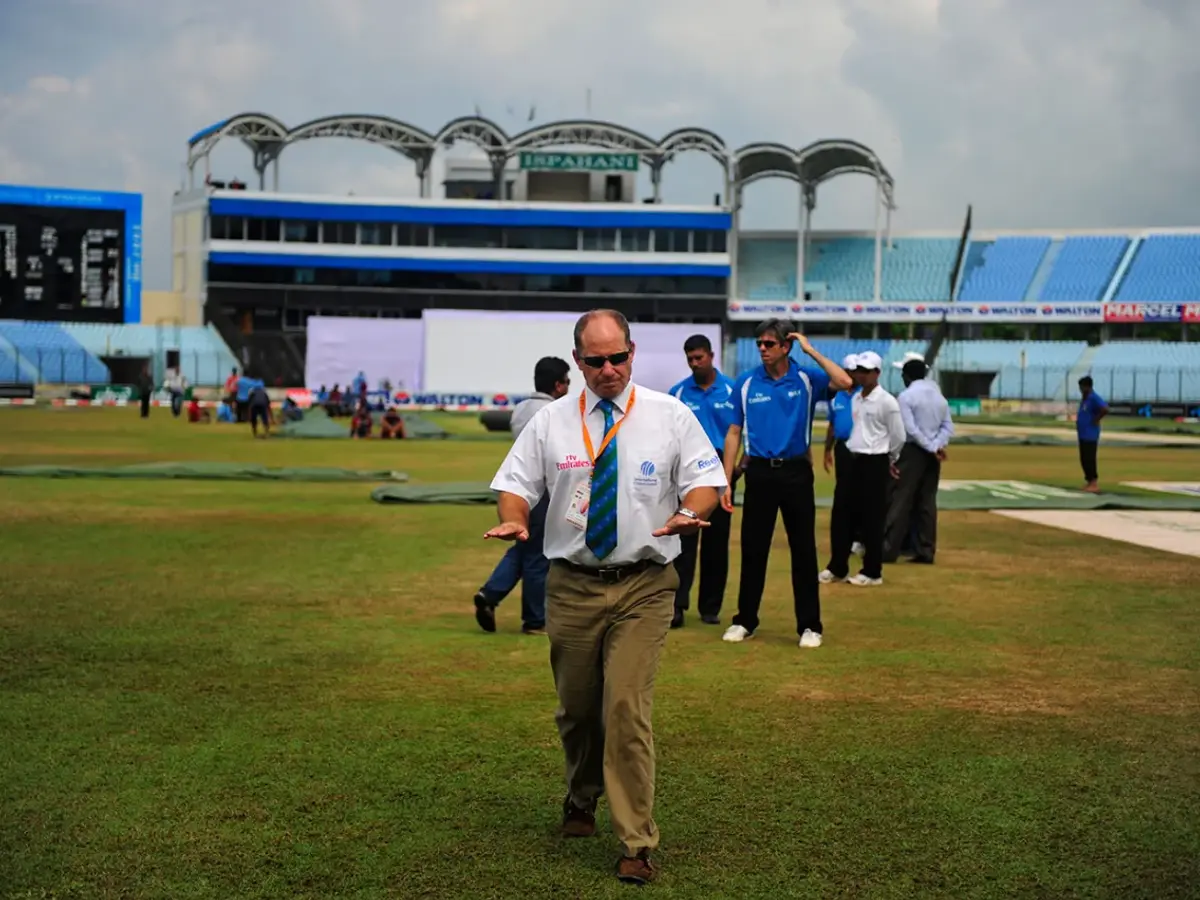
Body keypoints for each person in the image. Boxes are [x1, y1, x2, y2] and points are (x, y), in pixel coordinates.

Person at [486, 309, 726, 885]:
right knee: (576, 710)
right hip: (570, 585)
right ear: (578, 361)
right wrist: (516, 521)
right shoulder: (551, 422)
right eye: (596, 361)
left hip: (644, 586)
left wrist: (692, 510)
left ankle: (637, 841)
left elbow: (705, 479)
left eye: (618, 357)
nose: (609, 369)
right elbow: (514, 487)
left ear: (633, 352)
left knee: (625, 708)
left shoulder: (669, 415)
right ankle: (580, 795)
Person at [720, 319, 852, 647]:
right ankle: (745, 620)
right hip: (760, 473)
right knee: (753, 550)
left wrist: (810, 350)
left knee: (803, 551)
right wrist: (725, 480)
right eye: (759, 344)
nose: (762, 349)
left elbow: (845, 380)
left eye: (769, 344)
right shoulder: (747, 382)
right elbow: (734, 432)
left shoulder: (807, 378)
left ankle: (810, 626)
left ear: (786, 346)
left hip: (795, 473)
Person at [473, 356, 571, 636]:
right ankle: (534, 619)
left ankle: (490, 594)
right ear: (558, 385)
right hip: (542, 490)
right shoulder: (554, 412)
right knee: (538, 555)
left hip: (518, 489)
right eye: (566, 381)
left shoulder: (520, 409)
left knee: (524, 548)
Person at [667, 334, 738, 628]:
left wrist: (732, 474)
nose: (695, 364)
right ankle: (677, 606)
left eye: (700, 358)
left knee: (716, 544)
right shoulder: (679, 393)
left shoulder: (732, 390)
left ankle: (710, 606)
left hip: (722, 472)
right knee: (684, 542)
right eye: (690, 359)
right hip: (689, 474)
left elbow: (740, 432)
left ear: (711, 356)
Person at [821, 352, 906, 586]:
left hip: (875, 461)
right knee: (842, 515)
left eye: (867, 371)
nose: (861, 374)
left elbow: (898, 435)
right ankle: (837, 567)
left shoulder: (887, 401)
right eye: (859, 370)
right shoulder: (857, 399)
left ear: (877, 373)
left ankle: (872, 571)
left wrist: (890, 459)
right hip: (853, 458)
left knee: (872, 518)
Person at [884, 357, 954, 564]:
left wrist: (929, 446)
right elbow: (948, 427)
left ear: (906, 376)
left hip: (913, 452)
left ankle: (888, 549)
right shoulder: (939, 396)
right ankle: (925, 550)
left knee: (900, 500)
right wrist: (936, 446)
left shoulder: (906, 396)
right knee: (926, 502)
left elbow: (909, 429)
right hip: (933, 453)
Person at [822, 353, 865, 574]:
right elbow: (832, 424)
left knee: (860, 495)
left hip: (862, 449)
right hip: (842, 448)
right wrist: (827, 450)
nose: (852, 376)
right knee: (844, 495)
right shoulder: (836, 396)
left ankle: (858, 537)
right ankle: (848, 540)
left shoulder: (864, 394)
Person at [1076, 375, 1108, 493]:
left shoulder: (1094, 398)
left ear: (1087, 387)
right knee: (1084, 458)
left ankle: (1094, 483)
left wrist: (1096, 419)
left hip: (1090, 434)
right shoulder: (1085, 399)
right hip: (1083, 434)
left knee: (1089, 458)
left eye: (1081, 387)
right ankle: (1089, 481)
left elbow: (1105, 409)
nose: (1080, 390)